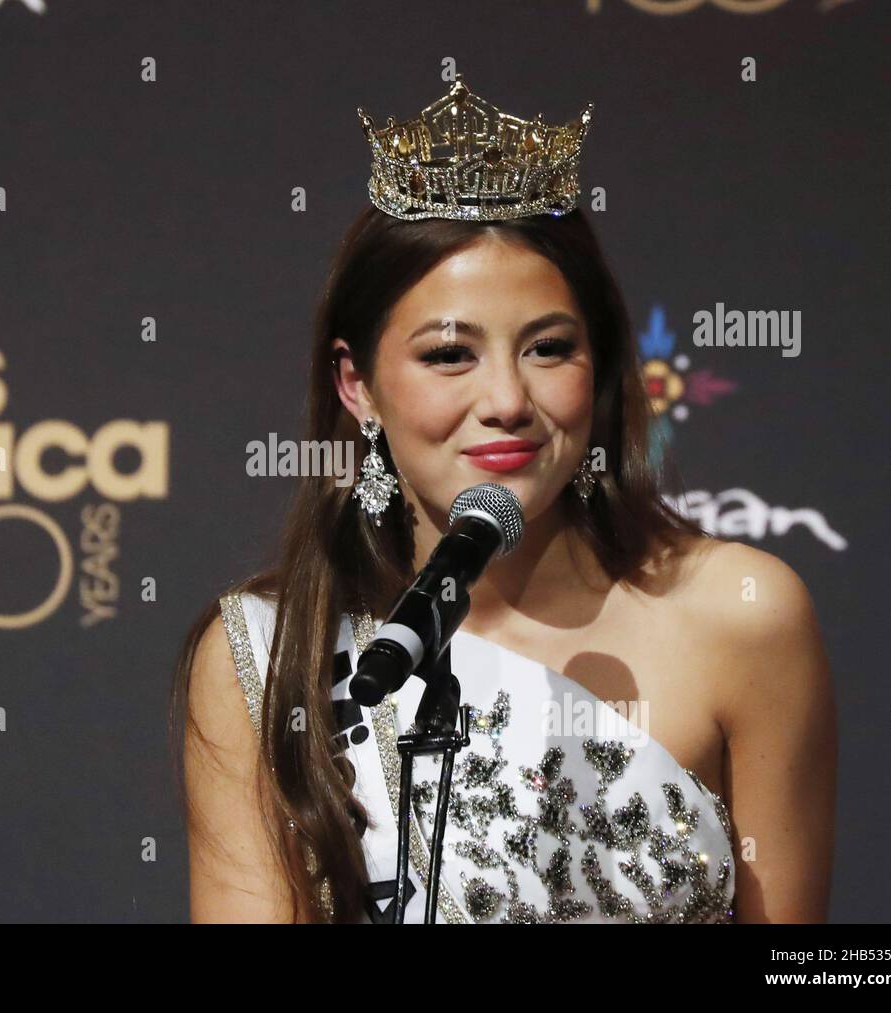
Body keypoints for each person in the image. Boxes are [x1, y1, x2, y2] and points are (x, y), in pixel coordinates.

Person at [170, 76, 836, 924]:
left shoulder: (741, 614)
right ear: (356, 383)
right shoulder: (269, 655)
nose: (508, 399)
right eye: (450, 355)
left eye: (548, 348)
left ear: (599, 371)